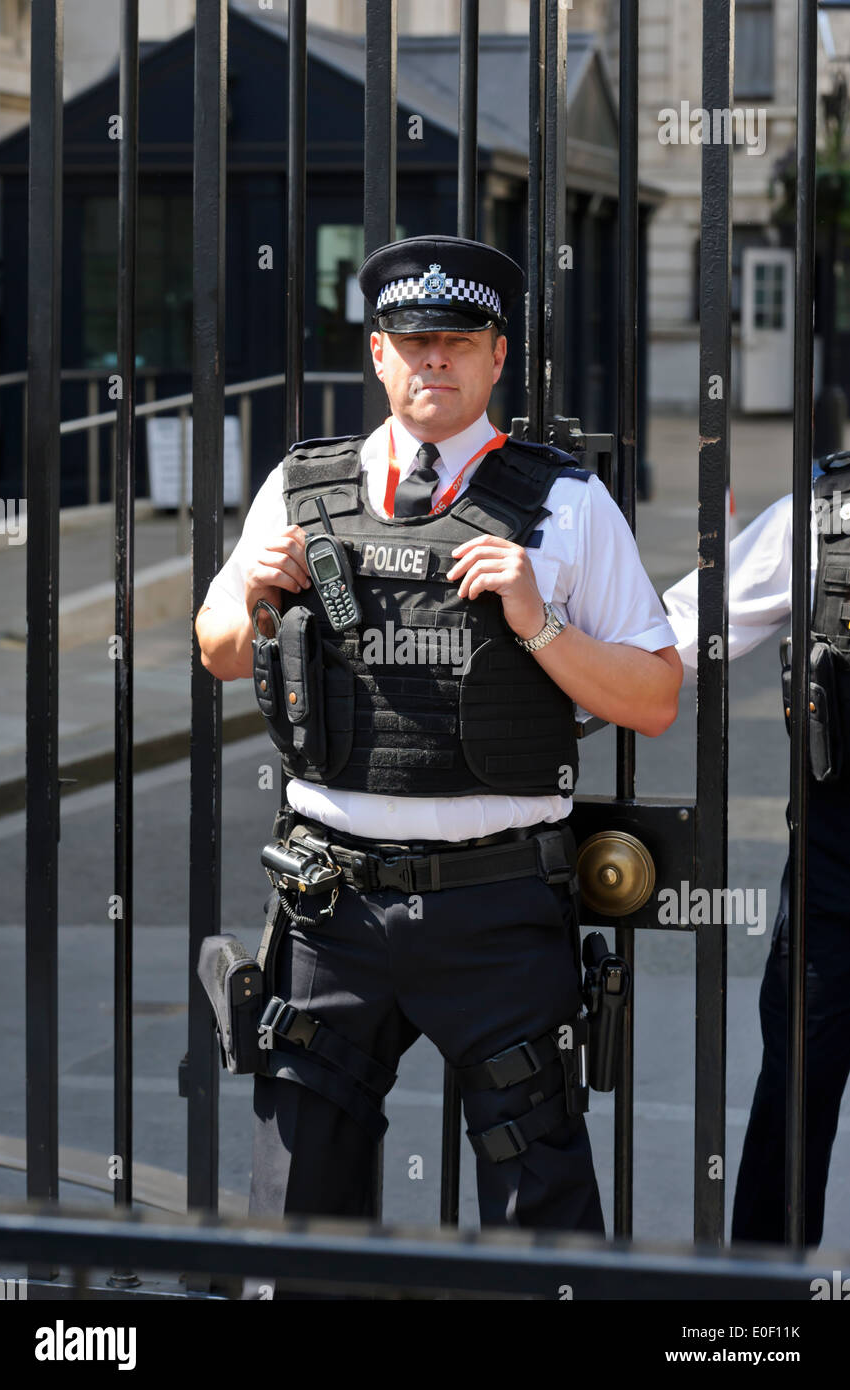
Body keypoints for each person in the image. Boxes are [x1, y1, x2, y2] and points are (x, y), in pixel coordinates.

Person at [195, 234, 682, 1287]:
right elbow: (216, 649)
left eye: (457, 342)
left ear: (496, 356)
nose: (434, 363)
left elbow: (652, 698)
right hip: (333, 905)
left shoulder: (564, 504)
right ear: (377, 354)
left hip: (498, 907)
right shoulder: (303, 485)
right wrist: (257, 596)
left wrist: (540, 621)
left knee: (536, 1208)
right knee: (298, 1204)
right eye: (412, 343)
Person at [662, 457, 850, 1245]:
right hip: (836, 881)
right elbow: (676, 632)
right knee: (792, 1111)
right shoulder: (824, 517)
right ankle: (758, 1319)